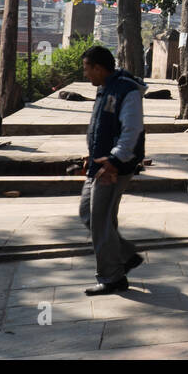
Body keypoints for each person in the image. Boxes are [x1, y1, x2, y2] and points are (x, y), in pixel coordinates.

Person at [78, 45, 146, 296]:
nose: (86, 75)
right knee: (88, 213)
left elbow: (131, 130)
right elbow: (102, 128)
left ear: (98, 67)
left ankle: (112, 277)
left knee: (100, 221)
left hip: (114, 167)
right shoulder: (104, 89)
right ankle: (125, 256)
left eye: (87, 69)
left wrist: (114, 161)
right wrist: (93, 154)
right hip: (99, 165)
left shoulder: (126, 90)